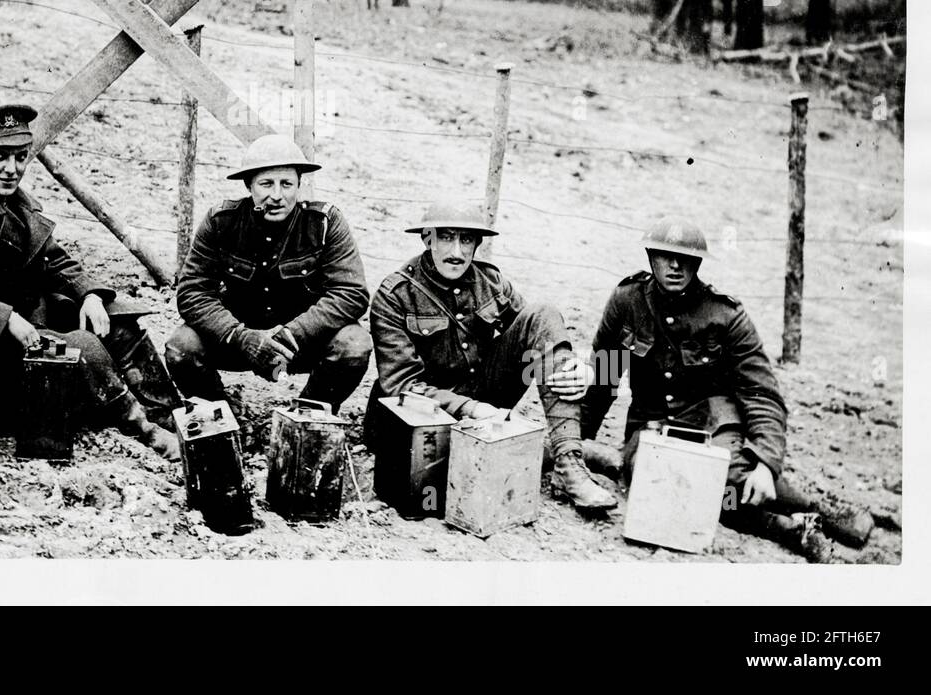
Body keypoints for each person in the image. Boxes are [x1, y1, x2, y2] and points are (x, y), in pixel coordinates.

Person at [580, 217, 875, 561]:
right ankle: (788, 529)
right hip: (650, 426)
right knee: (662, 486)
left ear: (698, 263)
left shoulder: (725, 314)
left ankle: (819, 508)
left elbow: (761, 393)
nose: (675, 266)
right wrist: (577, 440)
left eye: (686, 259)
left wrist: (765, 463)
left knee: (731, 478)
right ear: (650, 257)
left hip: (712, 423)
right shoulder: (627, 301)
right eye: (665, 256)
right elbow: (604, 375)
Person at [0, 103, 181, 460]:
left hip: (27, 330)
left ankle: (171, 415)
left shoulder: (13, 205)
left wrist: (89, 295)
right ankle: (145, 430)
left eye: (20, 157)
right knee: (79, 344)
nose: (11, 169)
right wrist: (3, 317)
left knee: (117, 320)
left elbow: (53, 258)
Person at [366, 201, 617, 512]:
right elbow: (401, 386)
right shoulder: (395, 295)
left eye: (466, 239)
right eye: (445, 237)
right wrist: (473, 409)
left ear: (477, 244)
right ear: (426, 238)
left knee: (543, 312)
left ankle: (568, 462)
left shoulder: (491, 282)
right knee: (448, 476)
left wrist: (574, 368)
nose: (456, 251)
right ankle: (565, 449)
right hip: (422, 423)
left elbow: (534, 333)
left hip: (485, 400)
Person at [167, 134, 371, 417]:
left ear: (299, 185)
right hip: (237, 342)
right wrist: (241, 337)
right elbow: (192, 294)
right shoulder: (220, 223)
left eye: (287, 184)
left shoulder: (325, 223)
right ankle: (222, 420)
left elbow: (351, 293)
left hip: (300, 346)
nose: (277, 195)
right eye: (266, 184)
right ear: (248, 185)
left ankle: (307, 419)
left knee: (354, 343)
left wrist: (291, 335)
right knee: (182, 346)